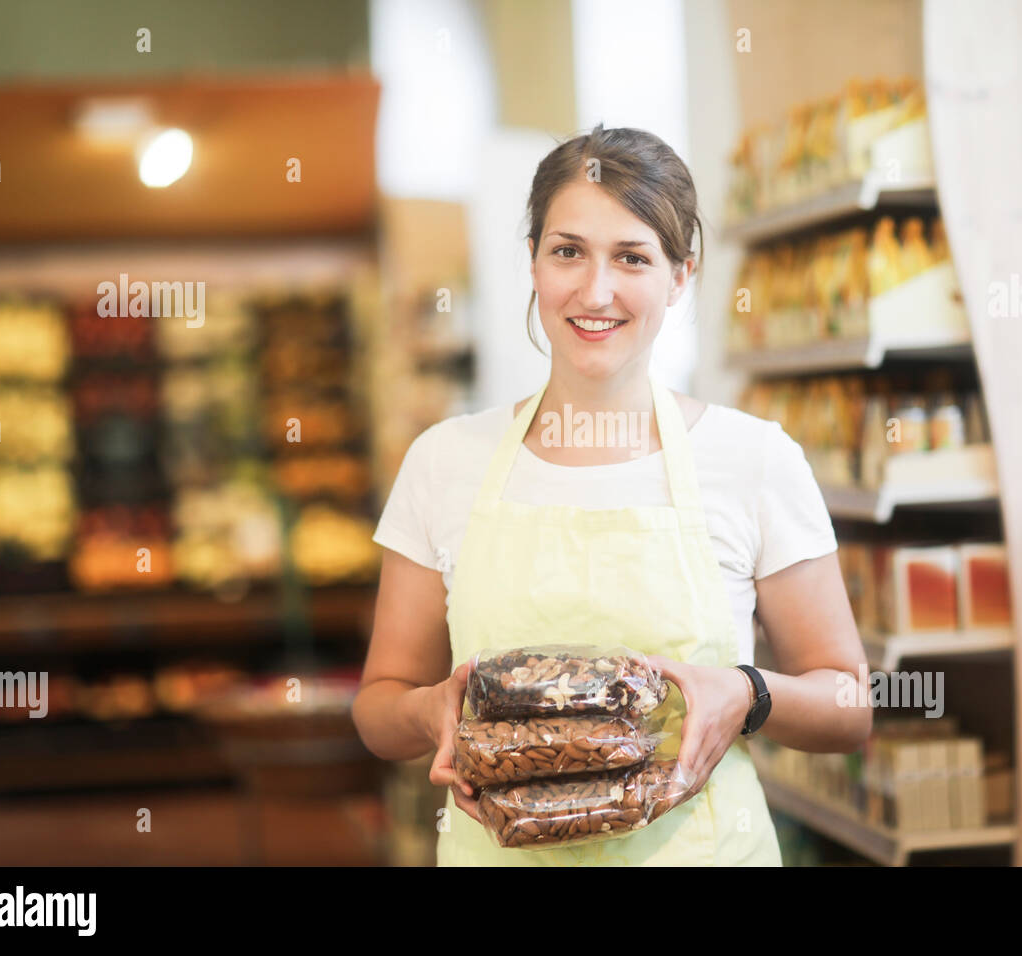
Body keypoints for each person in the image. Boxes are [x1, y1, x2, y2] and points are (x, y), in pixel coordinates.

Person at [351, 124, 870, 866]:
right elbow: (378, 704)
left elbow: (849, 703)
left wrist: (747, 693)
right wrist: (429, 711)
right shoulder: (444, 461)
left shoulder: (752, 459)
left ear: (680, 276)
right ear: (532, 261)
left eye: (633, 257)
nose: (596, 291)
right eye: (568, 251)